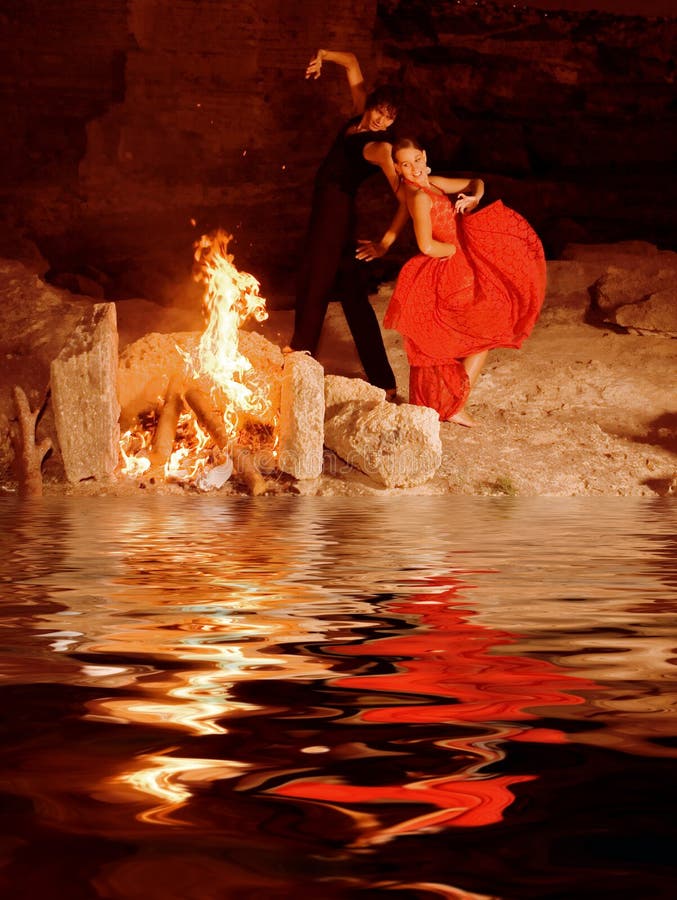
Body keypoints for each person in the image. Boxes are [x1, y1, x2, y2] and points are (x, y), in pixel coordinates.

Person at [384, 137, 546, 426]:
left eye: (417, 160)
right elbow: (426, 246)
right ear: (397, 168)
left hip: (456, 267)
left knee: (473, 334)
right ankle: (455, 404)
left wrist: (475, 198)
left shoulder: (431, 183)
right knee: (480, 335)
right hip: (445, 269)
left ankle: (449, 402)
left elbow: (475, 181)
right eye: (406, 165)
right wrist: (455, 251)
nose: (414, 168)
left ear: (424, 155)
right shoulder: (418, 196)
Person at [287, 49, 408, 398]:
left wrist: (386, 242)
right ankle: (385, 383)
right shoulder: (359, 116)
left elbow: (404, 200)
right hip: (330, 214)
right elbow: (354, 61)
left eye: (388, 120)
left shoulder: (380, 148)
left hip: (335, 219)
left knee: (315, 281)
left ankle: (300, 357)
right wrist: (323, 56)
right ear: (370, 104)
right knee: (353, 298)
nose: (380, 123)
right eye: (378, 114)